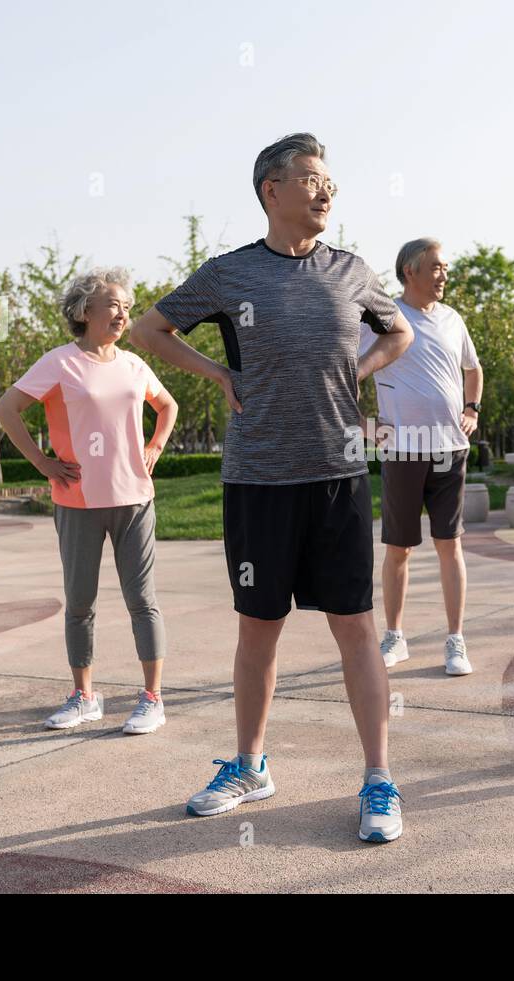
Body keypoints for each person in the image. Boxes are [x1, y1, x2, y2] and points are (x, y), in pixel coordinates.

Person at [128, 133, 416, 841]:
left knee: (357, 629)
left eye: (330, 181)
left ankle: (379, 779)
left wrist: (363, 367)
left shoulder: (352, 270)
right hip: (258, 479)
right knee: (259, 629)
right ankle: (251, 764)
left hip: (339, 478)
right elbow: (149, 328)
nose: (327, 191)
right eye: (313, 179)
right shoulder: (229, 275)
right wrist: (218, 373)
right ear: (272, 191)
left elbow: (400, 331)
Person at [0, 267, 177, 735]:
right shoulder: (59, 363)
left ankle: (152, 699)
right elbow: (6, 409)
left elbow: (167, 405)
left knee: (143, 600)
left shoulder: (135, 365)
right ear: (85, 310)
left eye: (127, 307)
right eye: (113, 304)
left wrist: (154, 447)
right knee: (80, 603)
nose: (123, 313)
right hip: (76, 501)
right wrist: (43, 464)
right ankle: (84, 697)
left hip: (134, 498)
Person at [361, 237, 483, 676]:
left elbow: (474, 367)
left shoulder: (453, 319)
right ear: (409, 271)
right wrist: (366, 427)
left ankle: (456, 641)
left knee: (450, 546)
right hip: (403, 451)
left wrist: (472, 409)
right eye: (435, 267)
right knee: (399, 549)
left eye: (445, 267)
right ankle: (394, 636)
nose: (444, 275)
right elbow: (343, 372)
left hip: (451, 448)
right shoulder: (383, 319)